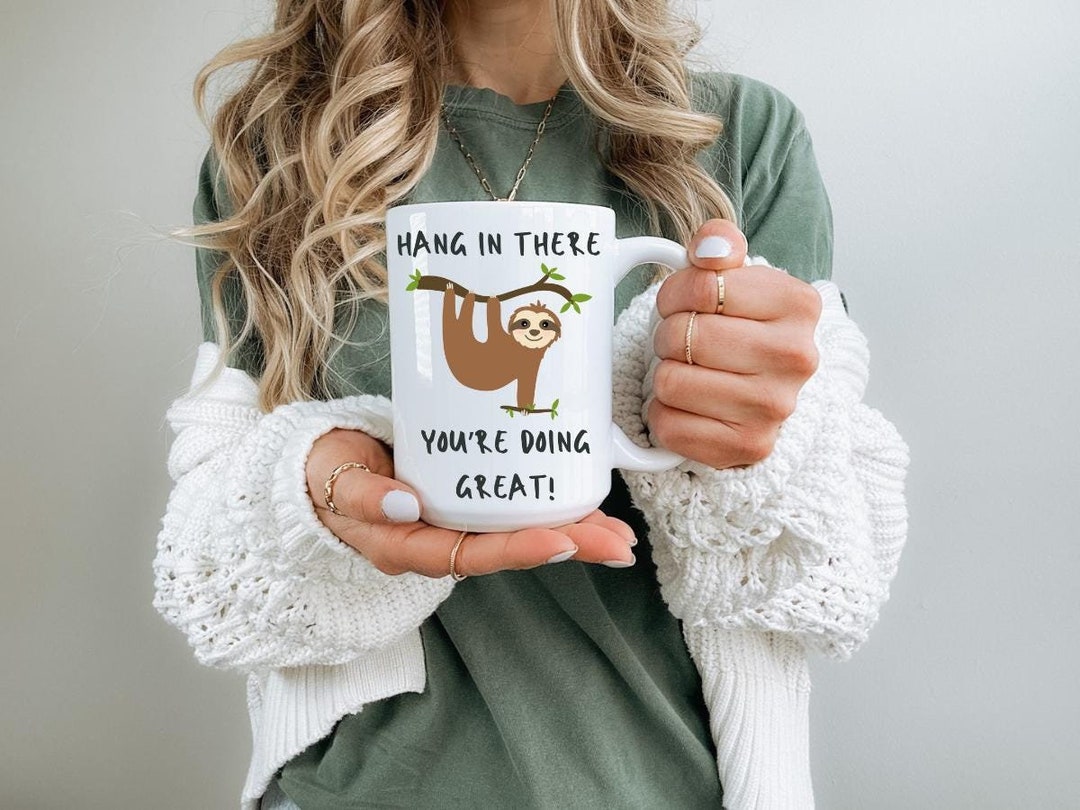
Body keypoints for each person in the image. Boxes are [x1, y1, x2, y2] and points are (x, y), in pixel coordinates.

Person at [153, 1, 910, 808]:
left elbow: (828, 563)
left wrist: (756, 435)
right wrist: (309, 493)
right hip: (359, 788)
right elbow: (210, 530)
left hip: (671, 781)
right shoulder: (278, 148)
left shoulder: (735, 135)